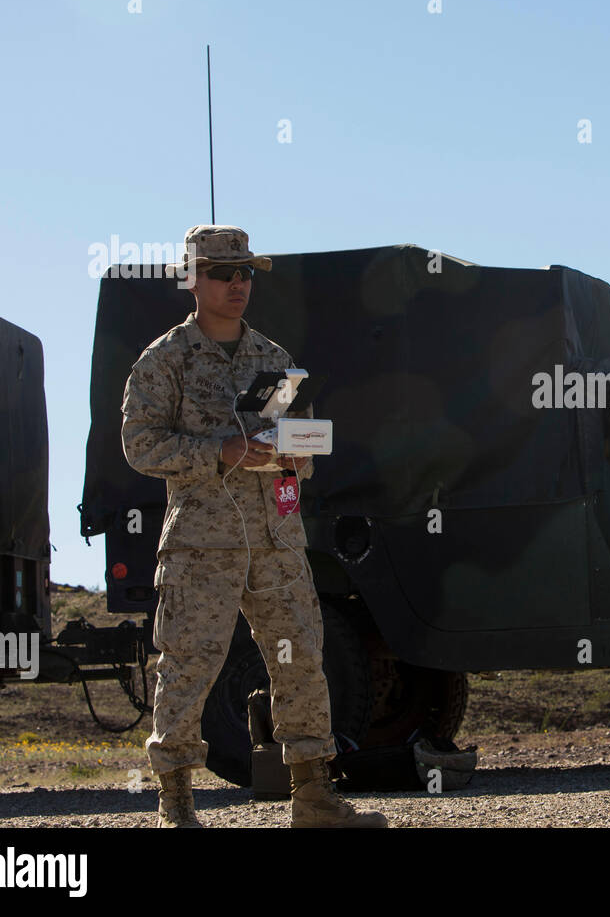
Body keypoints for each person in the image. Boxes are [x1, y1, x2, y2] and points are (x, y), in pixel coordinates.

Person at [120, 224, 385, 828]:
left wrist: (296, 453)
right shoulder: (166, 360)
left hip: (276, 537)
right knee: (189, 662)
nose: (237, 284)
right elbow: (140, 445)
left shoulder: (273, 361)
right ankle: (178, 804)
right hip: (200, 541)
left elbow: (304, 441)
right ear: (192, 278)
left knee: (301, 660)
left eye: (245, 273)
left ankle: (313, 796)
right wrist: (219, 450)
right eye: (222, 272)